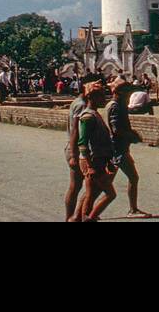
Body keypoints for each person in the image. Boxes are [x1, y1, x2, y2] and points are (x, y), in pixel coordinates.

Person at [107, 76, 149, 217]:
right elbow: (116, 130)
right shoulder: (116, 106)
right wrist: (131, 135)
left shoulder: (118, 105)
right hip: (118, 148)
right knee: (133, 177)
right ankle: (133, 209)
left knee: (105, 182)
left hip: (119, 148)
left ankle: (87, 211)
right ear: (120, 92)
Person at [75, 82, 118, 221]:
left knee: (90, 194)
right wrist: (90, 166)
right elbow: (82, 143)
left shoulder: (95, 114)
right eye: (100, 96)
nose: (104, 99)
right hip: (92, 160)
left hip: (99, 159)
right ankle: (89, 218)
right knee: (109, 194)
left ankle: (84, 217)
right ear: (91, 97)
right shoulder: (87, 116)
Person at [64, 75, 96, 221]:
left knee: (80, 186)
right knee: (78, 186)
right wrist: (73, 154)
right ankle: (73, 216)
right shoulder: (82, 105)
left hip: (76, 148)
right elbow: (76, 131)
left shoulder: (77, 102)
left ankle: (79, 215)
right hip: (77, 150)